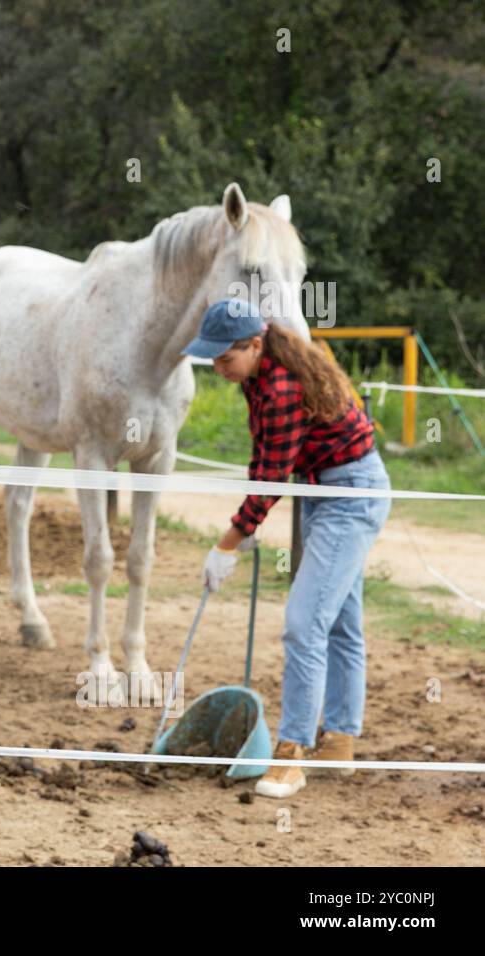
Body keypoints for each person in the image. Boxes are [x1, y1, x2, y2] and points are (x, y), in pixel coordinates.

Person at [182, 299, 390, 799]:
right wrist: (247, 524)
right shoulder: (258, 375)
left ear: (255, 344)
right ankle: (340, 741)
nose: (217, 367)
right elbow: (266, 459)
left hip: (350, 497)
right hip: (320, 491)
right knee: (339, 621)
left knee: (303, 624)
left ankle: (291, 753)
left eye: (224, 357)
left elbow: (273, 477)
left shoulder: (279, 384)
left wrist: (228, 542)